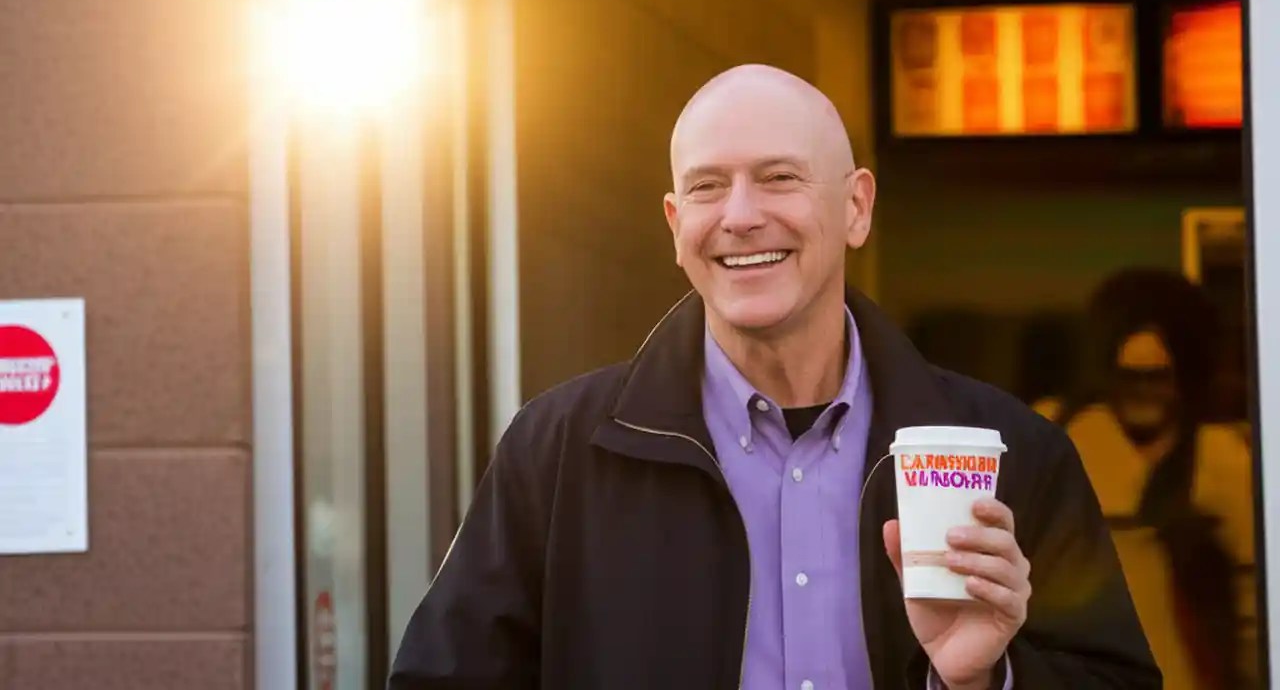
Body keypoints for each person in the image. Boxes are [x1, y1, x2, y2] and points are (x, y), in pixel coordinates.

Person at [389, 65, 1159, 689]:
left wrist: (987, 683)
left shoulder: (1012, 459)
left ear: (857, 208)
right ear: (674, 225)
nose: (741, 215)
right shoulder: (557, 454)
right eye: (707, 186)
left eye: (779, 177)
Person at [1057, 268, 1256, 689]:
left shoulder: (1218, 458)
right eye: (1130, 378)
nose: (1144, 394)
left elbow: (1253, 611)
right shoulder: (1065, 442)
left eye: (1158, 378)